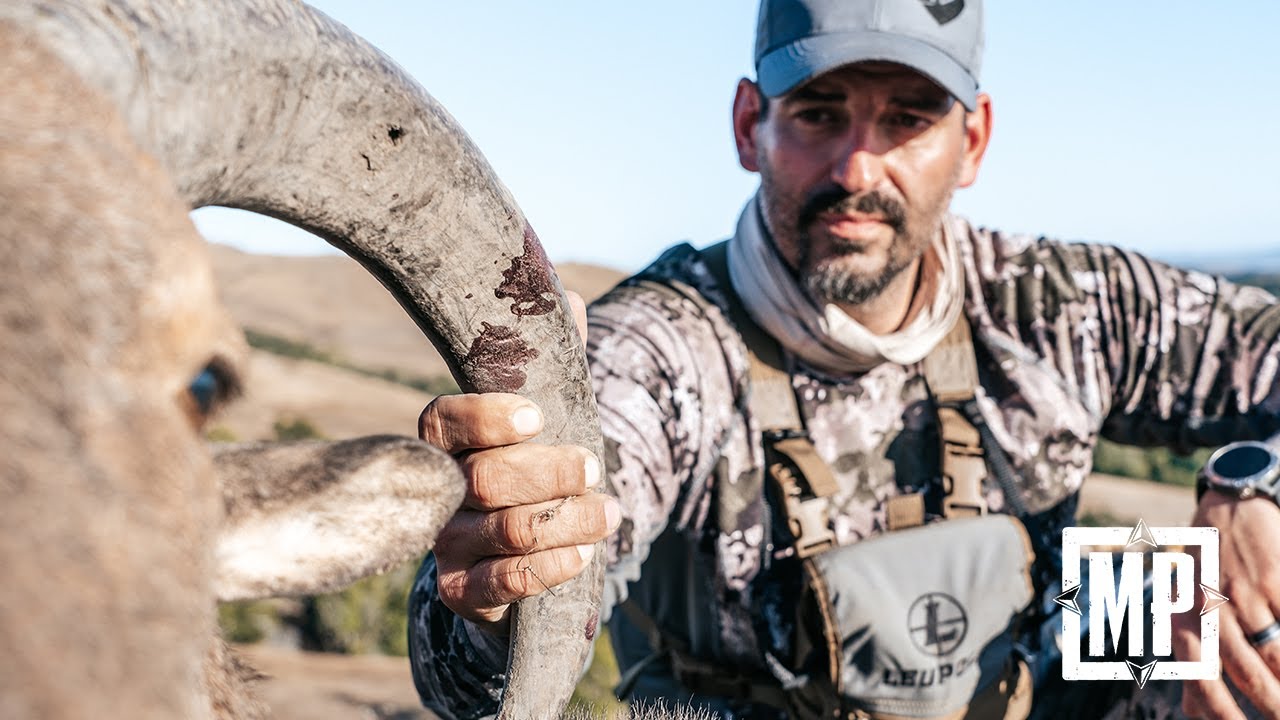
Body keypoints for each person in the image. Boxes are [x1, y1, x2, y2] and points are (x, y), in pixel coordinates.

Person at [407, 1, 1280, 718]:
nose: (860, 166)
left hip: (1036, 684)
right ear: (751, 125)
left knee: (1232, 606)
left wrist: (1248, 488)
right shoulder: (663, 349)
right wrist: (496, 585)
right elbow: (468, 671)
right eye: (821, 113)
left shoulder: (1062, 304)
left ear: (972, 141)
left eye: (907, 119)